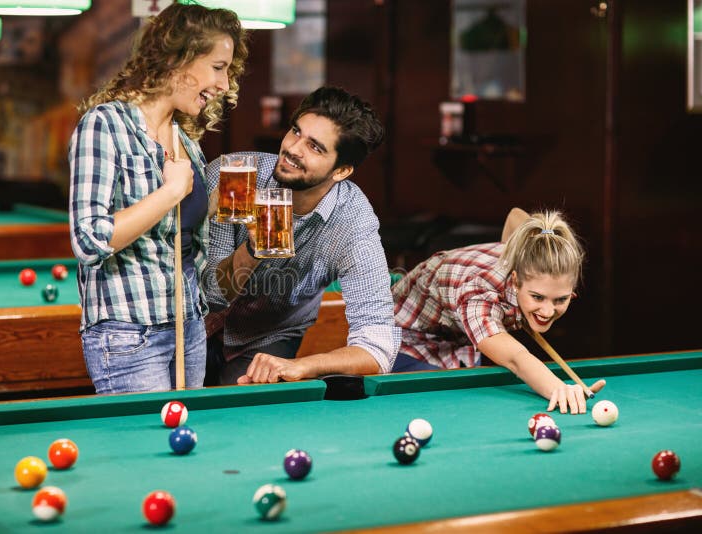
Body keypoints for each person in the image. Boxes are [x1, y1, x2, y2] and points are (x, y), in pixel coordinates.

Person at [68, 3, 248, 393]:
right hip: (131, 332)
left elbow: (175, 230)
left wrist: (223, 202)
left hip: (189, 325)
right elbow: (88, 240)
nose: (224, 85)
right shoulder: (105, 125)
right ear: (179, 58)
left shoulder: (186, 140)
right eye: (218, 67)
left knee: (184, 450)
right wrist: (170, 192)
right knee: (146, 449)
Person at [203, 86, 400, 385]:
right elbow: (212, 298)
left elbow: (379, 343)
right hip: (192, 326)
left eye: (315, 147)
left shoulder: (352, 222)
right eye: (296, 132)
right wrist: (253, 250)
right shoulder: (235, 176)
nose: (294, 149)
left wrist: (304, 366)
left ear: (342, 171)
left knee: (245, 407)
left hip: (266, 338)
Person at [392, 209, 606, 414]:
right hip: (403, 337)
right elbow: (516, 358)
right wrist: (559, 389)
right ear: (515, 281)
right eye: (537, 297)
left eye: (560, 299)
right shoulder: (479, 291)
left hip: (457, 339)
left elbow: (516, 216)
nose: (548, 311)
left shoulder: (529, 247)